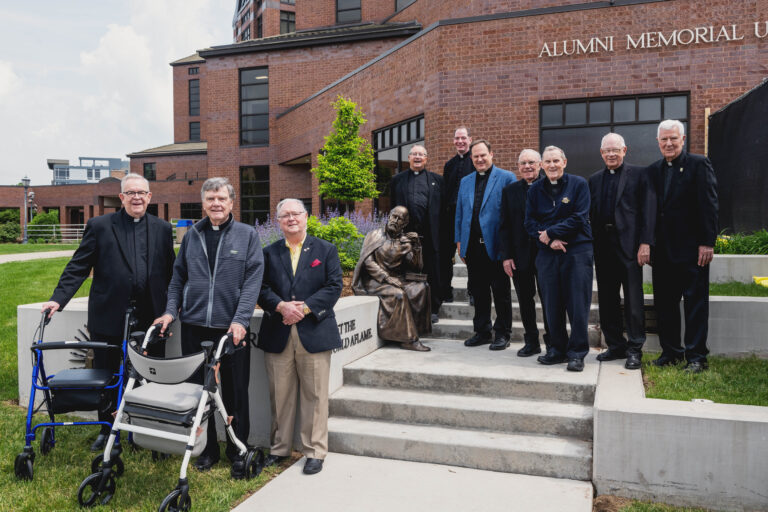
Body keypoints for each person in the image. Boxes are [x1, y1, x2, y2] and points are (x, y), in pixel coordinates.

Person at [41, 173, 175, 451]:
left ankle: (142, 430)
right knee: (108, 373)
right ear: (122, 197)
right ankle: (107, 429)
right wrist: (58, 299)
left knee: (147, 373)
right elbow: (78, 265)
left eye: (142, 192)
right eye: (131, 193)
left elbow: (172, 272)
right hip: (109, 313)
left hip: (151, 315)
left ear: (150, 197)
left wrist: (171, 310)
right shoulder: (100, 226)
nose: (137, 197)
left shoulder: (162, 228)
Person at [154, 177, 264, 477]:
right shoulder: (191, 236)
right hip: (193, 326)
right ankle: (207, 450)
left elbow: (253, 280)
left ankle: (238, 450)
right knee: (198, 392)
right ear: (203, 203)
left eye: (222, 198)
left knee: (235, 391)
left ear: (231, 202)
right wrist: (168, 311)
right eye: (211, 199)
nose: (216, 204)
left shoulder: (247, 235)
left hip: (231, 329)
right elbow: (178, 278)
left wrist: (241, 320)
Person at [257, 198, 343, 475]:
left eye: (296, 214)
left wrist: (304, 308)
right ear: (278, 221)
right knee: (279, 395)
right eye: (285, 215)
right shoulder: (268, 253)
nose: (291, 218)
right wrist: (281, 306)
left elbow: (334, 286)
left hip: (314, 332)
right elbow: (260, 287)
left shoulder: (325, 250)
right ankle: (279, 449)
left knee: (315, 395)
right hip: (278, 331)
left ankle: (314, 451)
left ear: (307, 217)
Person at [649, 119, 718, 373]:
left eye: (673, 139)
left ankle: (697, 357)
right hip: (663, 252)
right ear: (658, 142)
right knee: (664, 304)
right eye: (664, 139)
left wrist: (707, 242)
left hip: (692, 251)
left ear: (683, 139)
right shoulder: (653, 170)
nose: (668, 143)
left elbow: (709, 205)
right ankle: (671, 352)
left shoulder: (699, 165)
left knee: (695, 304)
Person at [589, 133, 656, 370]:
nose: (611, 154)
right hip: (603, 249)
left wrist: (645, 243)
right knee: (607, 300)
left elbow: (648, 211)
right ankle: (616, 346)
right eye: (607, 150)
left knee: (633, 301)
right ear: (601, 153)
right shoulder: (594, 180)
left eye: (615, 150)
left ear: (624, 150)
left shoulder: (639, 174)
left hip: (630, 248)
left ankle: (634, 349)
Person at [525, 146, 593, 372]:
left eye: (556, 160)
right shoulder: (534, 190)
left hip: (576, 251)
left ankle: (577, 353)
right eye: (548, 161)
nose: (552, 165)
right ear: (542, 165)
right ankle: (556, 349)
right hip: (547, 253)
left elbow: (580, 217)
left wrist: (551, 233)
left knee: (577, 304)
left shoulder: (579, 184)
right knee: (551, 303)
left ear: (564, 162)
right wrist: (549, 240)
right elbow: (529, 222)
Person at [455, 139, 517, 350]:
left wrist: (509, 247)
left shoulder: (507, 178)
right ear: (471, 159)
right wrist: (459, 241)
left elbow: (512, 214)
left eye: (483, 155)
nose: (480, 159)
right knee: (478, 292)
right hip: (473, 247)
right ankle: (482, 331)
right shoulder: (465, 181)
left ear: (492, 154)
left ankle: (502, 334)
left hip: (497, 247)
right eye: (476, 156)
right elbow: (460, 214)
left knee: (501, 292)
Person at [353, 206, 432, 351]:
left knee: (421, 288)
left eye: (399, 218)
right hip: (374, 280)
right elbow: (368, 262)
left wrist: (416, 247)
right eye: (393, 216)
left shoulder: (404, 240)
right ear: (388, 216)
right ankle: (409, 339)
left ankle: (414, 330)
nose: (395, 220)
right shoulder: (374, 235)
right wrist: (387, 278)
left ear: (405, 223)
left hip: (397, 279)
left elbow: (416, 267)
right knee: (398, 295)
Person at [499, 149, 554, 357]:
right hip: (519, 256)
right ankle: (531, 341)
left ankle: (553, 341)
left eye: (532, 162)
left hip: (546, 254)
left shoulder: (550, 187)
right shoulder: (510, 191)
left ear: (540, 164)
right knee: (524, 299)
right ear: (518, 167)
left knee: (549, 299)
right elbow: (504, 226)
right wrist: (506, 256)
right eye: (523, 163)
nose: (527, 166)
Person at [390, 145, 444, 323]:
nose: (418, 157)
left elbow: (444, 211)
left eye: (421, 154)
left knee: (433, 272)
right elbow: (391, 208)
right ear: (409, 158)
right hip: (405, 236)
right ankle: (408, 308)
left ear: (426, 159)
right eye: (415, 154)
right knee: (405, 272)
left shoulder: (438, 181)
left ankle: (433, 309)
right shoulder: (397, 180)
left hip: (430, 236)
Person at [442, 127, 475, 304]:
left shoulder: (475, 162)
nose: (460, 141)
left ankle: (473, 292)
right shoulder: (449, 165)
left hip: (469, 217)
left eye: (463, 138)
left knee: (470, 255)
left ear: (470, 139)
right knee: (447, 255)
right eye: (457, 138)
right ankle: (446, 291)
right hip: (450, 216)